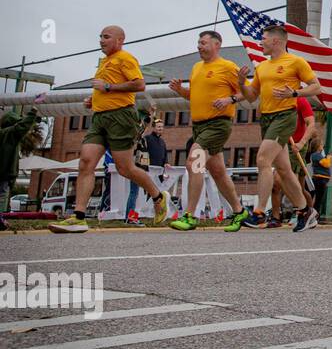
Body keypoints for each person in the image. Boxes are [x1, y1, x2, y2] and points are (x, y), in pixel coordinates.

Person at [50, 27, 171, 233]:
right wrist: (94, 99)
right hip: (99, 118)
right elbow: (106, 87)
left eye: (106, 37)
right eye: (100, 37)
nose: (101, 41)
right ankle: (79, 217)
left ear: (120, 40)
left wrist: (107, 88)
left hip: (121, 117)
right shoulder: (105, 62)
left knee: (125, 168)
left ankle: (158, 196)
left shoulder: (125, 58)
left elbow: (139, 84)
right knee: (85, 162)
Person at [239, 25, 322, 232]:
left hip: (285, 116)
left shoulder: (295, 62)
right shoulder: (262, 67)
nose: (261, 42)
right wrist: (241, 82)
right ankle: (305, 210)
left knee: (262, 160)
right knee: (284, 170)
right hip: (266, 118)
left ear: (276, 41)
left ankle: (259, 213)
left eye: (264, 39)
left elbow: (316, 87)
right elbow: (251, 96)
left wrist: (294, 94)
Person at [166, 30, 251, 232]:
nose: (199, 46)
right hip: (198, 125)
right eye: (198, 42)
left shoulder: (228, 66)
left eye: (203, 43)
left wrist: (229, 99)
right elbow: (194, 97)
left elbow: (248, 92)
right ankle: (239, 211)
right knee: (218, 172)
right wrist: (181, 91)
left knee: (193, 161)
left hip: (218, 123)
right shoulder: (196, 68)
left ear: (216, 45)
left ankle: (190, 215)